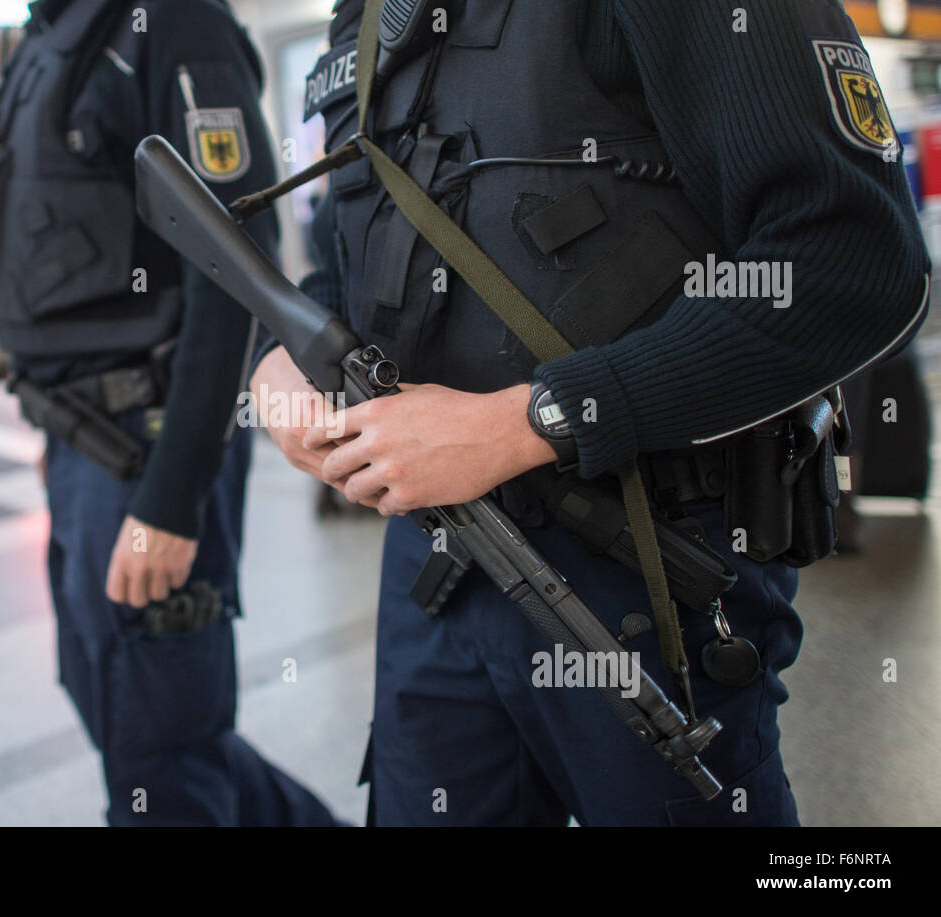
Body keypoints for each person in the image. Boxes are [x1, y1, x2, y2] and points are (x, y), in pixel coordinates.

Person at [251, 0, 930, 825]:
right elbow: (350, 237)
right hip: (437, 570)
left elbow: (855, 262)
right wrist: (283, 354)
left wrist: (531, 421)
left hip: (647, 572)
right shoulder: (368, 13)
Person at [0, 0, 338, 826]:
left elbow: (233, 268)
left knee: (160, 736)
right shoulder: (40, 40)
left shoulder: (169, 22)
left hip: (150, 441)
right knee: (105, 690)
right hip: (79, 441)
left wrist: (172, 497)